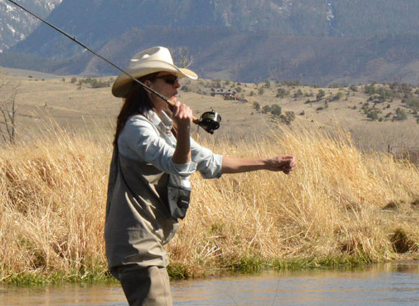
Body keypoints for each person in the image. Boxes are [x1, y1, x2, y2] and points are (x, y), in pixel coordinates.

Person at [105, 46, 296, 306]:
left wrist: (268, 163)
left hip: (149, 244)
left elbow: (210, 162)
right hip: (138, 246)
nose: (177, 85)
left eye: (177, 80)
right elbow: (178, 166)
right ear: (148, 86)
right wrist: (184, 129)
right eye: (170, 79)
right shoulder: (137, 127)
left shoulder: (163, 125)